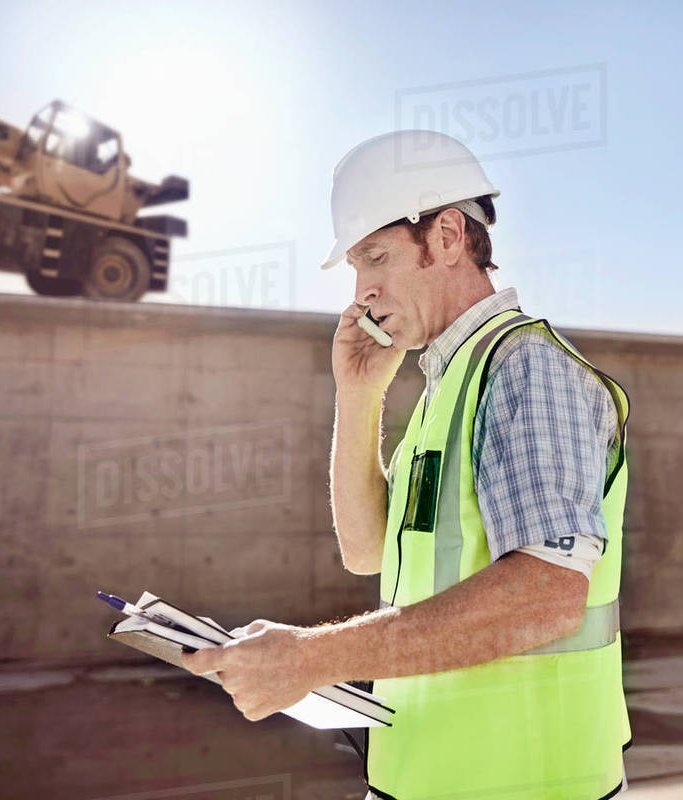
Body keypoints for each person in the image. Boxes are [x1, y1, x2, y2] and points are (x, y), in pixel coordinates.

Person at [183, 130, 632, 799]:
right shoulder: (444, 391)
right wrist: (359, 394)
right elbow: (366, 550)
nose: (361, 291)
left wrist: (311, 659)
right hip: (425, 777)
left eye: (377, 258)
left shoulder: (523, 371)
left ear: (448, 236)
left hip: (527, 783)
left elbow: (547, 597)